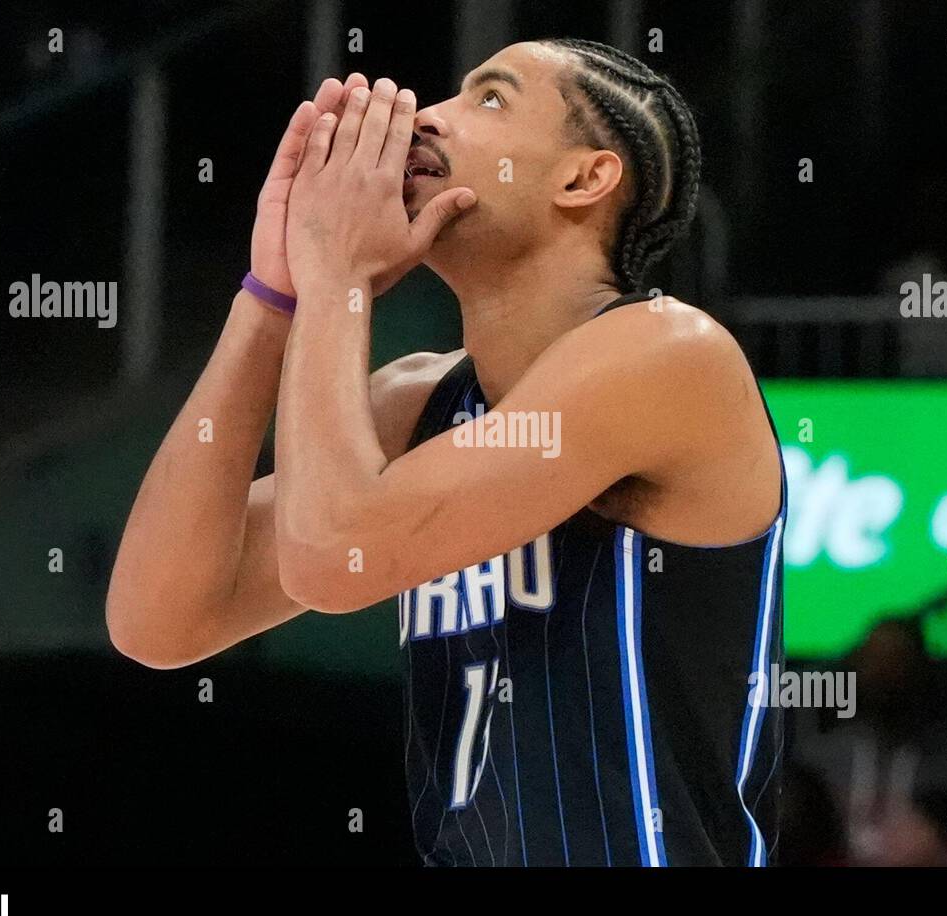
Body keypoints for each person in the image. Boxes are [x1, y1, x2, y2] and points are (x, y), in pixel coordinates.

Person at [108, 39, 785, 866]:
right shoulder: (418, 399)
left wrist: (338, 279)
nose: (426, 115)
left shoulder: (671, 354)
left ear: (583, 179)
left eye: (490, 99)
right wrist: (274, 294)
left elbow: (332, 555)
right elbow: (160, 620)